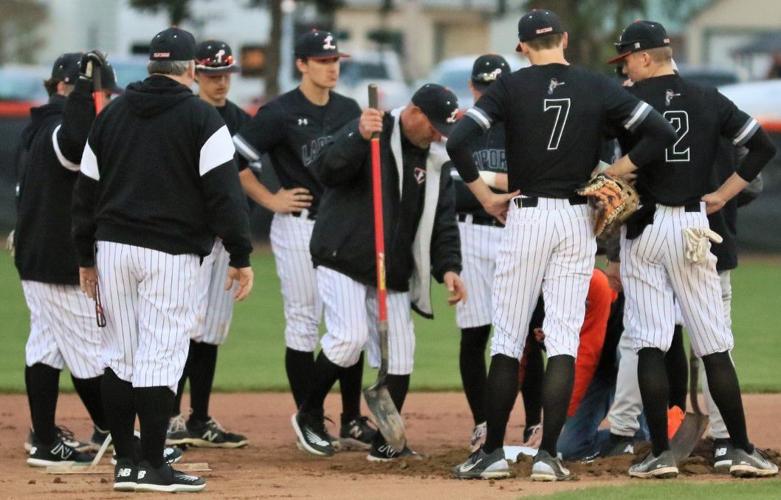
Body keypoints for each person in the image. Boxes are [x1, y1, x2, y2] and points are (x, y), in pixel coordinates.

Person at [446, 9, 676, 481]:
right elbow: (661, 132)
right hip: (577, 218)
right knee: (563, 339)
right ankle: (549, 456)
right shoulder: (598, 86)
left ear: (523, 47)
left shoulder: (509, 87)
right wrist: (613, 172)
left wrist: (486, 195)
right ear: (565, 39)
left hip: (526, 213)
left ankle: (491, 453)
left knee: (508, 337)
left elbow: (458, 142)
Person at [72, 27, 254, 493]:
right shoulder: (201, 118)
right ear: (191, 70)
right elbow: (224, 194)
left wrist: (84, 255)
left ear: (152, 65)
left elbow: (84, 192)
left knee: (119, 356)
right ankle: (154, 465)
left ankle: (127, 464)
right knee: (162, 357)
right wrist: (240, 252)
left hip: (112, 248)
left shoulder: (111, 115)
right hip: (170, 252)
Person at [606, 20, 777, 478]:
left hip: (643, 228)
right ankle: (738, 447)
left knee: (650, 343)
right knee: (714, 343)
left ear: (644, 57)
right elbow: (761, 147)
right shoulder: (709, 98)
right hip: (692, 223)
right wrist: (723, 194)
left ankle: (660, 454)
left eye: (626, 60)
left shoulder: (628, 102)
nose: (625, 69)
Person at [292, 83, 466, 461]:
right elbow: (326, 170)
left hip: (394, 268)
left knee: (401, 353)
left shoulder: (434, 159)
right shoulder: (371, 129)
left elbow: (442, 220)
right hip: (344, 255)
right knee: (348, 338)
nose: (439, 135)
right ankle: (308, 414)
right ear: (415, 112)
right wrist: (358, 135)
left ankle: (388, 439)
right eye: (435, 126)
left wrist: (449, 267)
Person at [233, 29, 376, 451]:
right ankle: (309, 418)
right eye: (322, 61)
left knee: (350, 323)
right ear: (301, 64)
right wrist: (269, 198)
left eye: (335, 61)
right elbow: (235, 159)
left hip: (344, 226)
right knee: (303, 321)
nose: (331, 67)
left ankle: (350, 418)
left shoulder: (350, 109)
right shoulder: (278, 112)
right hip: (299, 224)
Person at [14, 51, 123, 467]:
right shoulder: (59, 126)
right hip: (60, 263)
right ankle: (120, 438)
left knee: (45, 348)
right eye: (101, 93)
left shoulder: (37, 128)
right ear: (66, 88)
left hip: (37, 257)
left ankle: (45, 440)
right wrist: (83, 92)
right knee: (93, 355)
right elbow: (75, 145)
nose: (104, 101)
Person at [166, 39, 251, 449]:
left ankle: (198, 417)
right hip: (187, 238)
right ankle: (169, 416)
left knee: (211, 331)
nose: (220, 83)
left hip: (222, 242)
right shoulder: (185, 115)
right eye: (212, 75)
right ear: (195, 74)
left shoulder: (236, 118)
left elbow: (243, 179)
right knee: (182, 328)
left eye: (225, 75)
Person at [452, 53, 511, 452]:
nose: (490, 94)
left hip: (514, 233)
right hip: (470, 234)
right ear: (474, 89)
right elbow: (453, 190)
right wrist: (500, 185)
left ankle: (535, 423)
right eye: (484, 87)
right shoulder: (461, 128)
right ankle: (482, 422)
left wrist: (483, 182)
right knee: (475, 335)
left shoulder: (523, 127)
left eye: (497, 88)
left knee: (525, 336)